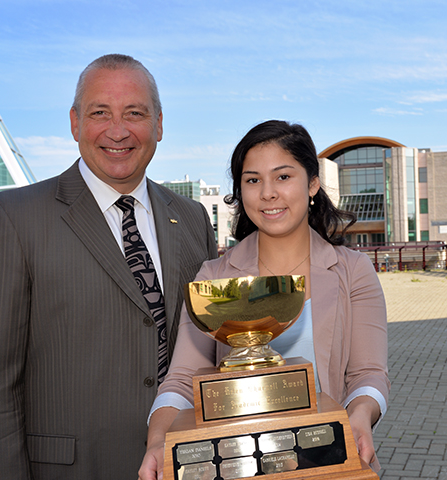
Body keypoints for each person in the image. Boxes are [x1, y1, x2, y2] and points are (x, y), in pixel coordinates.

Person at [0, 54, 217, 479]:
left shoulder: (191, 218)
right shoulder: (10, 218)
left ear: (159, 124)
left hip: (184, 463)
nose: (118, 130)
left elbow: (209, 351)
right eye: (100, 113)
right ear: (75, 123)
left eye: (135, 113)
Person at [139, 120, 390, 479]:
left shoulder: (353, 271)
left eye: (283, 177)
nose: (268, 193)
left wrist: (359, 417)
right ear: (241, 192)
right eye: (253, 180)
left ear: (313, 184)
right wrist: (157, 440)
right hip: (236, 465)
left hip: (329, 462)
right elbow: (180, 381)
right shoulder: (213, 277)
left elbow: (369, 374)